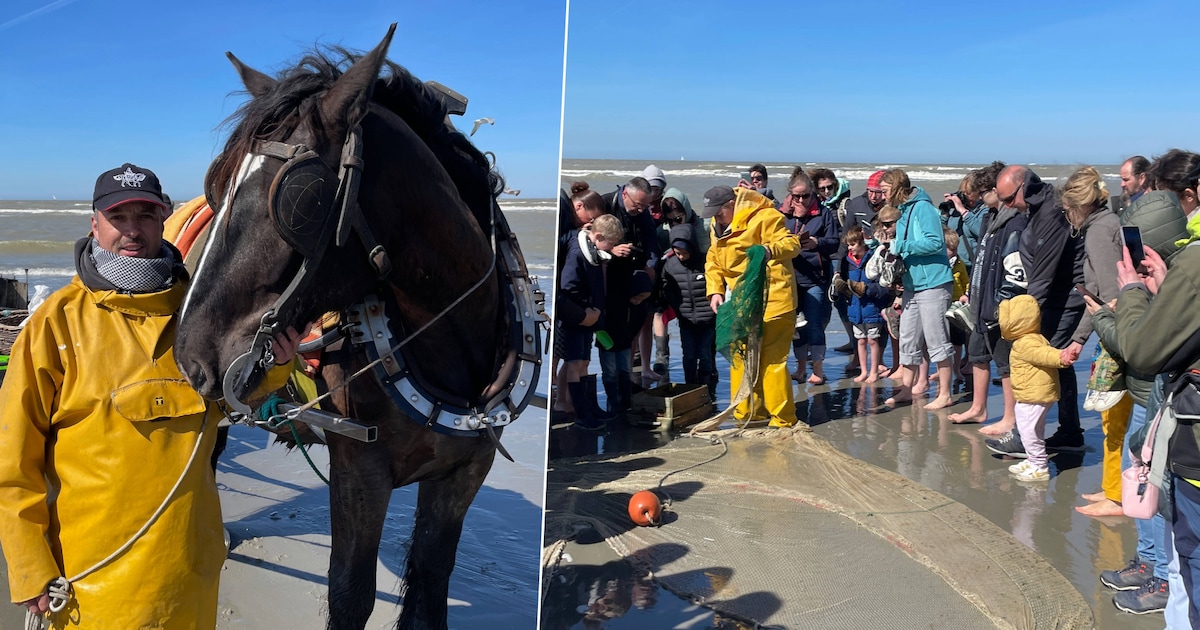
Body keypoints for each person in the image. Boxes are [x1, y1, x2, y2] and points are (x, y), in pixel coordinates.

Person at [0, 164, 301, 628]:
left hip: (190, 567)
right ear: (94, 223)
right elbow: (13, 462)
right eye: (119, 217)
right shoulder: (54, 324)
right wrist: (29, 567)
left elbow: (235, 400)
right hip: (92, 580)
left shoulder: (201, 313)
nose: (133, 230)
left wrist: (276, 366)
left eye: (146, 215)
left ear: (164, 220)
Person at [989, 165, 1085, 455]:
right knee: (1058, 362)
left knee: (1033, 362)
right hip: (1054, 298)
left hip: (1062, 299)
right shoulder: (1033, 210)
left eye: (1009, 200)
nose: (1007, 207)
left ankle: (1024, 436)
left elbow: (1042, 277)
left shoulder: (1051, 213)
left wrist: (1024, 320)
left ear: (1025, 188)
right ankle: (1069, 432)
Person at [1057, 167, 1126, 517]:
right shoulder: (1106, 222)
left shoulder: (1099, 230)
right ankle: (1113, 489)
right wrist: (1079, 338)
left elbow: (1109, 294)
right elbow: (1096, 295)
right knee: (1113, 416)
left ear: (1076, 205)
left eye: (1066, 209)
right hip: (1111, 328)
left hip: (1117, 334)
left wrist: (1088, 335)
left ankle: (1117, 497)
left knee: (1114, 415)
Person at [704, 185, 800, 428]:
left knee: (771, 361)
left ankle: (782, 419)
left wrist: (769, 250)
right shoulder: (717, 228)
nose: (716, 217)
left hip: (775, 298)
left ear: (731, 205)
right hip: (741, 300)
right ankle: (748, 413)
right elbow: (713, 260)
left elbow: (792, 244)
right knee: (741, 357)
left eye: (719, 212)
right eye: (712, 213)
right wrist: (715, 290)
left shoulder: (766, 216)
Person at [949, 163, 1024, 431]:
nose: (980, 197)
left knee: (1005, 363)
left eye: (983, 192)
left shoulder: (1015, 219)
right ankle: (978, 408)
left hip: (1000, 302)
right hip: (980, 297)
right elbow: (980, 258)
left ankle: (1009, 417)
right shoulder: (987, 217)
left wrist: (1002, 303)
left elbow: (1015, 267)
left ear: (996, 189)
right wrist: (971, 292)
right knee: (978, 354)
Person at [880, 168, 955, 409]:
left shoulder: (923, 208)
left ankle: (945, 393)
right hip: (912, 285)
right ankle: (906, 390)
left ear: (897, 187)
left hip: (934, 282)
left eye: (884, 190)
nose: (882, 196)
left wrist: (901, 245)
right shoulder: (902, 210)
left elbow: (935, 242)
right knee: (908, 339)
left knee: (937, 339)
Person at [558, 214, 624, 430]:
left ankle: (590, 407)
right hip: (575, 319)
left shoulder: (595, 254)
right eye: (611, 243)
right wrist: (586, 310)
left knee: (584, 363)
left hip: (590, 318)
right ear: (597, 236)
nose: (612, 248)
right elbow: (568, 287)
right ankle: (581, 413)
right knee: (575, 364)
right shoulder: (578, 254)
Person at [1000, 294, 1070, 482]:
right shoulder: (1034, 337)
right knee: (1034, 429)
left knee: (1029, 431)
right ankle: (1033, 460)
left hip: (1033, 396)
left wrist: (1061, 357)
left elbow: (1045, 355)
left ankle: (1039, 465)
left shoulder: (1026, 343)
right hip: (1035, 393)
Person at [781, 168, 840, 385]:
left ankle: (818, 370)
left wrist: (817, 243)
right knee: (796, 326)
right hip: (791, 278)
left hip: (816, 277)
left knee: (815, 324)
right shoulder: (783, 214)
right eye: (796, 196)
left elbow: (835, 242)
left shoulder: (823, 213)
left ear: (813, 193)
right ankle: (800, 368)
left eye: (806, 195)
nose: (801, 200)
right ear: (790, 195)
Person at [656, 221, 717, 399]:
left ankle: (707, 388)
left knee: (705, 355)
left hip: (708, 320)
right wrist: (676, 305)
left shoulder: (706, 261)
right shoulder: (670, 265)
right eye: (677, 252)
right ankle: (690, 386)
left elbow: (718, 284)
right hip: (686, 320)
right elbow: (666, 286)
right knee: (689, 355)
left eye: (684, 252)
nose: (681, 256)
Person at [834, 226, 890, 384]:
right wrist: (841, 288)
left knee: (873, 340)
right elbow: (843, 283)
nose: (850, 248)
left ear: (863, 244)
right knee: (860, 340)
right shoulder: (846, 262)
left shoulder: (874, 259)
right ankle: (864, 371)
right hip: (854, 309)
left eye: (853, 244)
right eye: (848, 245)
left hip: (871, 309)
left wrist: (866, 289)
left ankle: (874, 371)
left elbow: (884, 288)